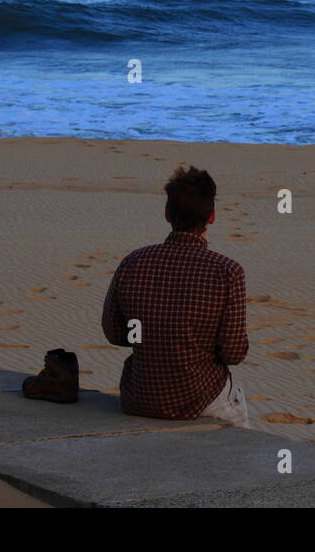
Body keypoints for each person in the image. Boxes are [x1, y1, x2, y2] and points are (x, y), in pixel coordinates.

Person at [101, 165, 249, 425]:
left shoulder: (134, 262)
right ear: (211, 217)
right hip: (201, 397)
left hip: (140, 395)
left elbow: (115, 332)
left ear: (167, 214)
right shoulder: (227, 271)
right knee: (239, 424)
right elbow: (234, 353)